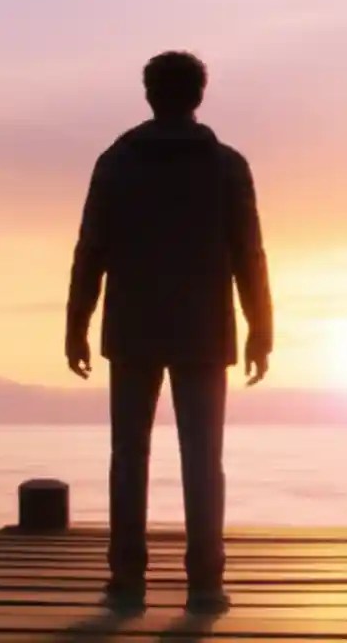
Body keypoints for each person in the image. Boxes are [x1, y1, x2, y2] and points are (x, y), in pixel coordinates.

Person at [64, 51, 273, 615]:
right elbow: (249, 253)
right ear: (198, 97)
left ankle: (127, 580)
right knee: (204, 457)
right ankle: (205, 583)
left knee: (128, 454)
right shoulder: (227, 165)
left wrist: (76, 324)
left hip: (132, 328)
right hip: (204, 330)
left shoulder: (115, 162)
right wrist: (262, 329)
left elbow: (91, 250)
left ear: (149, 94)